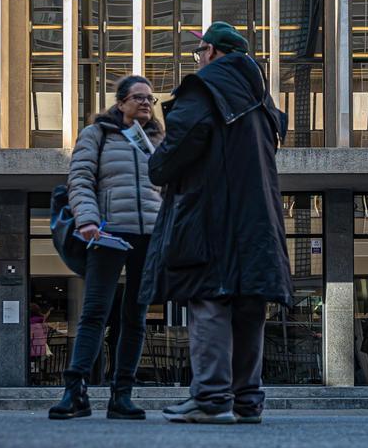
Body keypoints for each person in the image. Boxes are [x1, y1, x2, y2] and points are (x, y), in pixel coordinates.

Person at [139, 22, 292, 425]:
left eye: (201, 50)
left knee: (209, 300)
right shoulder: (263, 101)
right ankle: (247, 401)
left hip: (211, 216)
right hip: (259, 221)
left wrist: (155, 162)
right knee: (249, 306)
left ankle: (210, 399)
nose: (199, 58)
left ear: (215, 53)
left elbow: (175, 152)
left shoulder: (204, 88)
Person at [50, 75, 164, 421]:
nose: (145, 103)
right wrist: (87, 220)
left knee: (136, 318)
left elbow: (172, 187)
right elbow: (80, 179)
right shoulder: (97, 134)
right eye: (138, 97)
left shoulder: (161, 140)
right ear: (120, 103)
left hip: (150, 236)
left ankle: (122, 394)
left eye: (150, 99)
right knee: (95, 313)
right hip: (108, 233)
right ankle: (75, 390)